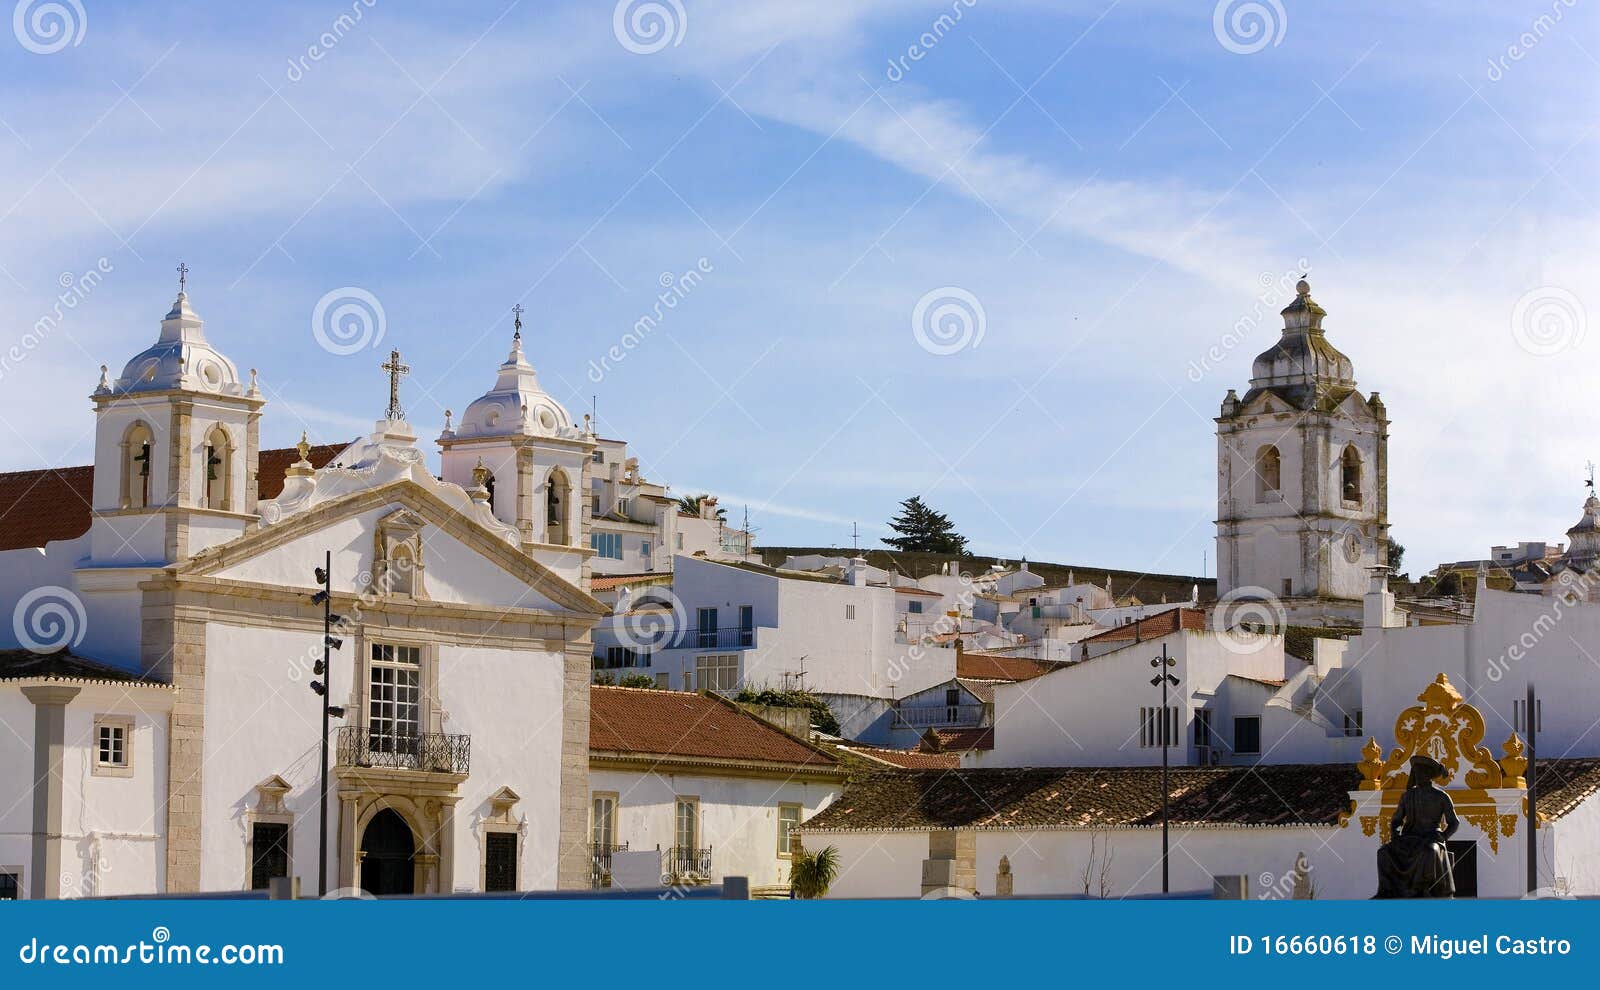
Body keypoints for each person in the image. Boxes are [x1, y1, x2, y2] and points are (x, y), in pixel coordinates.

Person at [1374, 754, 1460, 897]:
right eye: (1416, 772)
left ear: (1429, 775)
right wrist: (1395, 833)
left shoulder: (1441, 797)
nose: (1417, 775)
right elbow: (1396, 820)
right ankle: (1386, 890)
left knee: (1430, 852)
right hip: (1409, 839)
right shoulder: (1407, 796)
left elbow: (1454, 822)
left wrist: (1444, 836)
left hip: (1431, 838)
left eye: (1421, 772)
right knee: (1384, 852)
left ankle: (1423, 889)